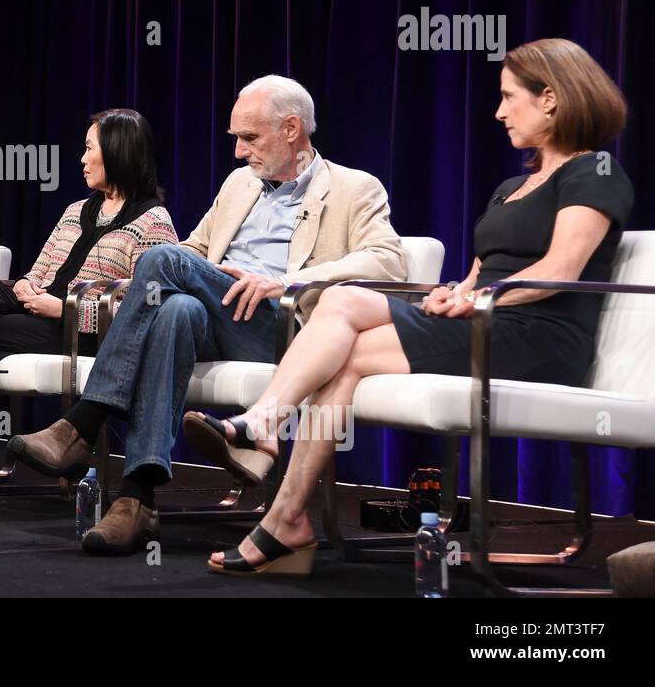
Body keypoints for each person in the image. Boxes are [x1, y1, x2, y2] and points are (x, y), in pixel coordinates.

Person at [194, 39, 632, 577]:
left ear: (551, 99)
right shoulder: (514, 186)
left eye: (508, 97)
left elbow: (560, 269)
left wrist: (476, 299)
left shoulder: (596, 172)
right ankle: (285, 510)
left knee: (346, 309)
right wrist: (452, 290)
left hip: (537, 336)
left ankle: (269, 444)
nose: (497, 111)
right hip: (488, 320)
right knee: (344, 328)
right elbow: (481, 268)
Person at [7, 75, 408, 554]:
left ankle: (84, 422)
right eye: (235, 138)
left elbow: (389, 262)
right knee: (174, 309)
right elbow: (194, 250)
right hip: (216, 316)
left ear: (291, 129)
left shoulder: (352, 187)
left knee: (163, 260)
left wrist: (289, 281)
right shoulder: (240, 184)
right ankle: (137, 497)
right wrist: (207, 272)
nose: (238, 151)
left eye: (249, 138)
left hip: (282, 328)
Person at [0, 109, 178, 513]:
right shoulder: (74, 211)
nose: (82, 160)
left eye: (89, 149)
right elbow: (39, 272)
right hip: (33, 315)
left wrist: (62, 308)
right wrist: (28, 286)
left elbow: (140, 313)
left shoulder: (153, 222)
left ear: (118, 153)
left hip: (79, 334)